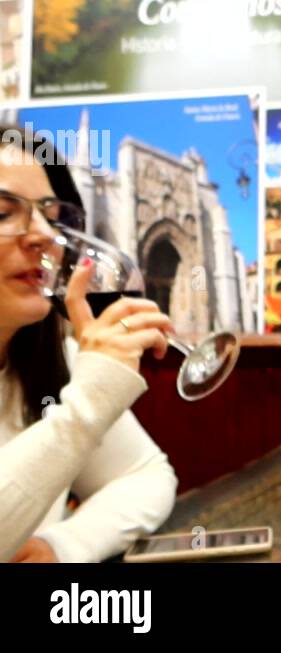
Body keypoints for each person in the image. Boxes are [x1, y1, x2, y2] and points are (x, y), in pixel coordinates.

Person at [0, 128, 177, 562]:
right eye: (3, 212)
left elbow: (148, 475)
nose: (43, 235)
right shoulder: (86, 384)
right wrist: (87, 408)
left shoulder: (58, 362)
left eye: (51, 214)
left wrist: (62, 547)